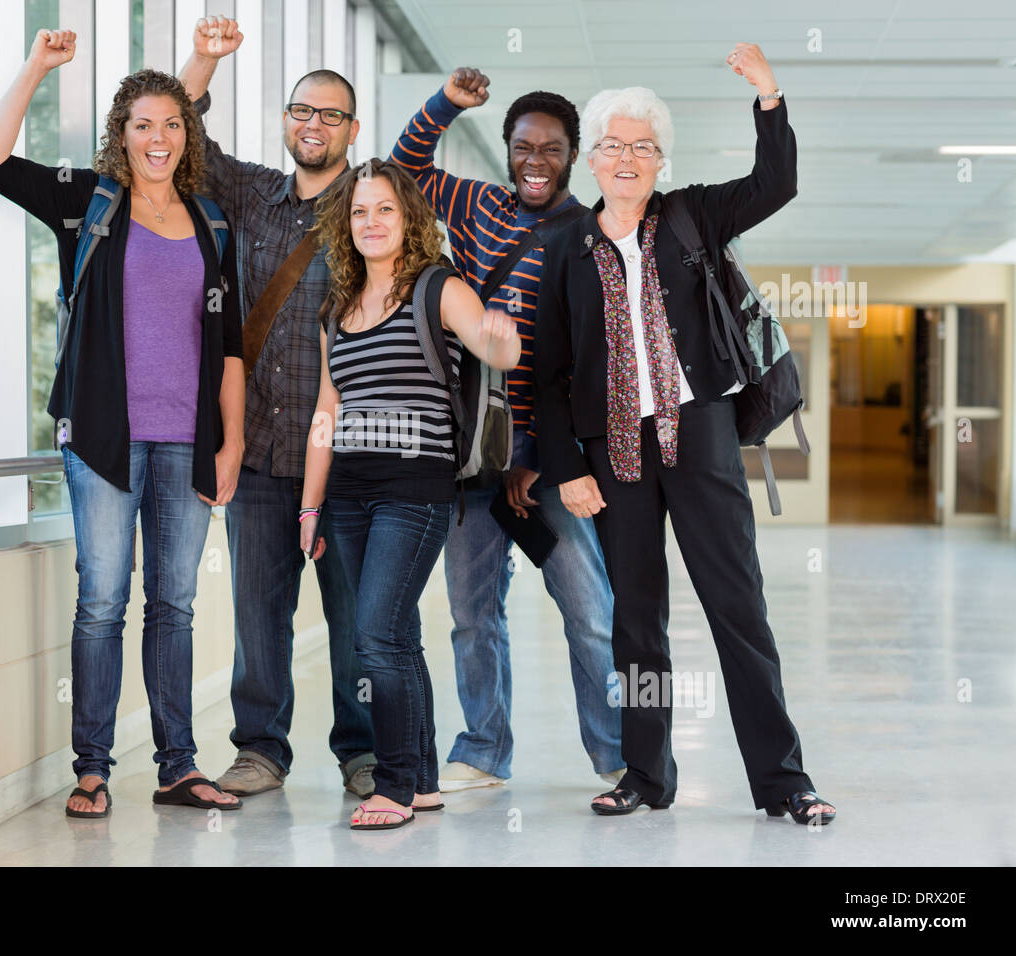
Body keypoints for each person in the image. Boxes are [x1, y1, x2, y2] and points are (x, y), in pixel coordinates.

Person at [533, 43, 835, 825]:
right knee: (636, 621)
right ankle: (646, 774)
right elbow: (547, 371)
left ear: (661, 160)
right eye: (613, 145)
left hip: (698, 434)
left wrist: (768, 94)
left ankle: (783, 781)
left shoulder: (693, 213)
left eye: (643, 146)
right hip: (613, 453)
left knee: (738, 608)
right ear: (591, 160)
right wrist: (566, 465)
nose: (627, 158)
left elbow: (779, 182)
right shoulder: (565, 245)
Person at [0, 29, 245, 816]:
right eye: (141, 125)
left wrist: (233, 441)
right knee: (102, 601)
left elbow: (226, 346)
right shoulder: (86, 203)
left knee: (177, 604)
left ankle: (178, 766)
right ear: (118, 136)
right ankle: (92, 767)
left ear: (187, 133)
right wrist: (36, 66)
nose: (158, 139)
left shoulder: (210, 222)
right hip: (101, 437)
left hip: (188, 439)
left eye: (171, 125)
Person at [390, 68, 623, 791]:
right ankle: (485, 750)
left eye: (551, 149)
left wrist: (551, 462)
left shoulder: (591, 236)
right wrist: (446, 105)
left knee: (589, 612)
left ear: (572, 157)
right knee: (471, 613)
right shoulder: (479, 205)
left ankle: (617, 756)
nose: (535, 161)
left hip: (548, 456)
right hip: (472, 448)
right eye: (523, 147)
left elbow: (590, 366)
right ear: (507, 150)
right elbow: (404, 172)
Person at [178, 16, 376, 798]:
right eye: (302, 110)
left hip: (350, 454)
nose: (314, 125)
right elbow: (178, 135)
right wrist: (206, 58)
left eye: (330, 114)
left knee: (357, 623)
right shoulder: (255, 194)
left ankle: (362, 753)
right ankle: (260, 748)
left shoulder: (375, 206)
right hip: (257, 448)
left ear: (352, 129)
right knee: (259, 616)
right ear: (287, 121)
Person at [300, 159, 520, 828]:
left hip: (415, 488)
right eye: (360, 212)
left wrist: (501, 340)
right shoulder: (335, 308)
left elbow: (489, 341)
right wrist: (310, 507)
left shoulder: (437, 287)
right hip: (347, 493)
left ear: (409, 220)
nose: (371, 222)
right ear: (347, 224)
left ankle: (392, 785)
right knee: (397, 633)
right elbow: (325, 413)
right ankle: (421, 778)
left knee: (375, 634)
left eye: (385, 210)